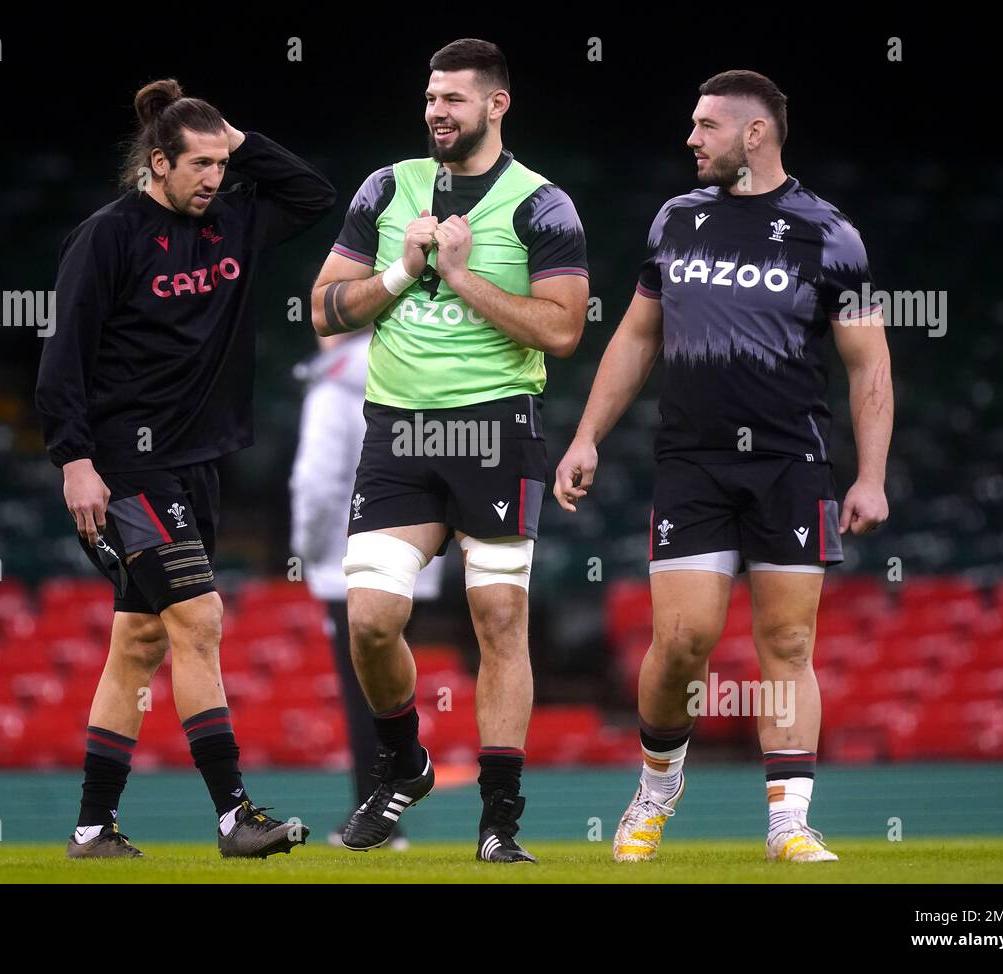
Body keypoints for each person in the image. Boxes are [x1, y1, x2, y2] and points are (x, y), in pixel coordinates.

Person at [554, 70, 892, 864]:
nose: (691, 139)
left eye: (706, 125)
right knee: (681, 641)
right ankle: (657, 788)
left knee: (787, 644)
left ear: (754, 135)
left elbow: (868, 364)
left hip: (792, 465)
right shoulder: (679, 220)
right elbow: (637, 337)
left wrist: (870, 473)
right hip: (694, 465)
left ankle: (788, 823)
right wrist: (587, 436)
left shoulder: (830, 233)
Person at [35, 78, 335, 859]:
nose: (213, 177)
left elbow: (312, 196)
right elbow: (61, 356)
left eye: (220, 162)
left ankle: (93, 828)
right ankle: (235, 817)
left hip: (197, 463)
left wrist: (240, 139)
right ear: (157, 163)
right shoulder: (109, 236)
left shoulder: (233, 219)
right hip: (128, 467)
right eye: (196, 163)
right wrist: (74, 460)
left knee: (137, 643)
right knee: (199, 622)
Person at [310, 38, 589, 862]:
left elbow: (565, 329)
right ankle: (403, 765)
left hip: (496, 428)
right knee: (370, 620)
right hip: (398, 432)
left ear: (497, 104)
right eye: (431, 97)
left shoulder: (543, 205)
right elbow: (325, 310)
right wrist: (400, 272)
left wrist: (463, 276)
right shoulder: (385, 188)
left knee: (499, 618)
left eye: (455, 99)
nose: (438, 111)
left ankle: (499, 821)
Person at [288, 328, 444, 849]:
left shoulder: (333, 383)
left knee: (365, 694)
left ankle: (376, 816)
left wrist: (308, 550)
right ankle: (387, 810)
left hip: (345, 560)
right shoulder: (417, 362)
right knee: (395, 686)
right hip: (415, 557)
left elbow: (315, 479)